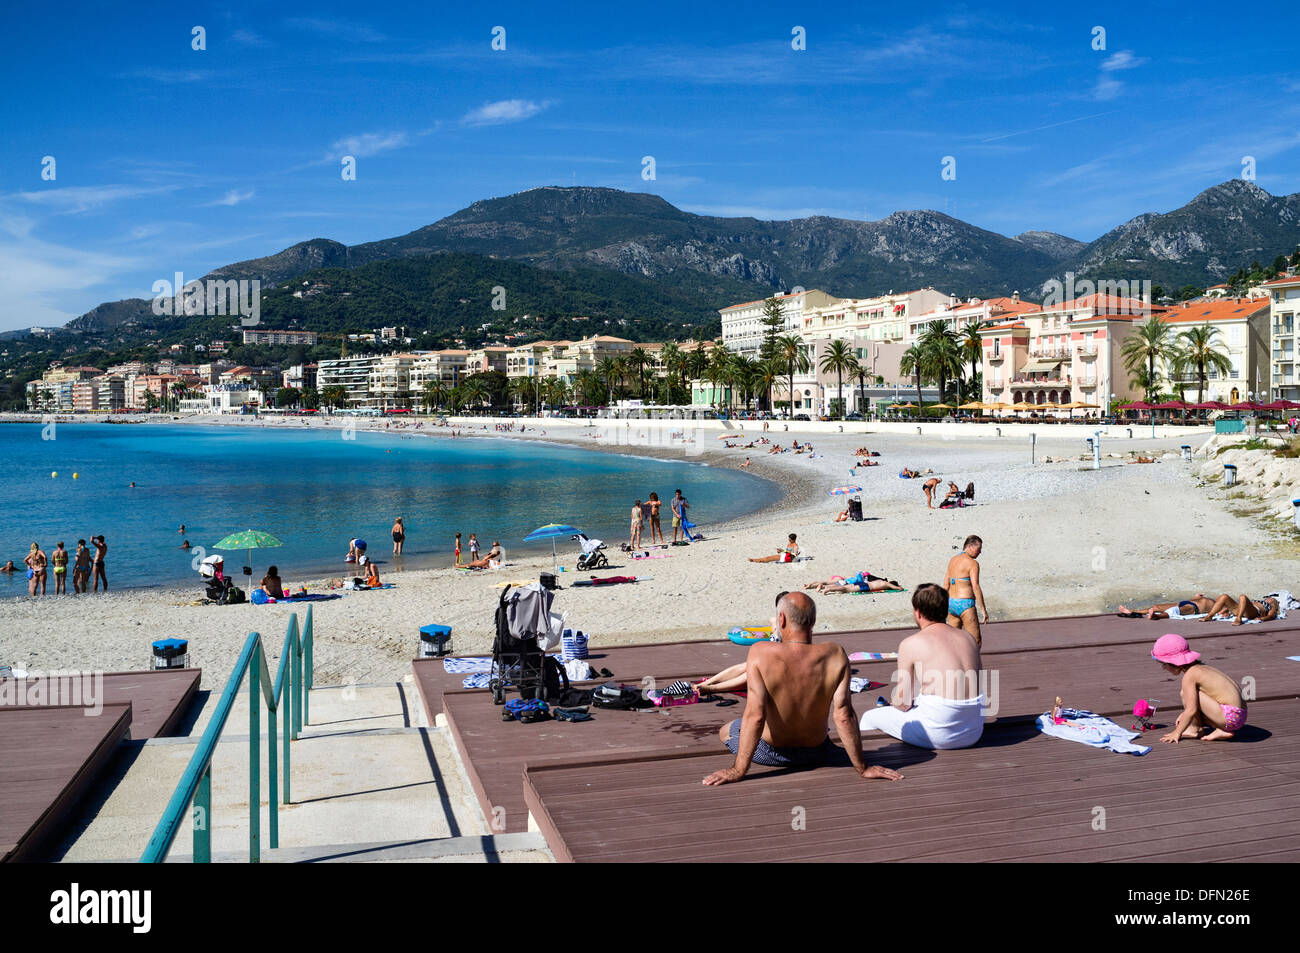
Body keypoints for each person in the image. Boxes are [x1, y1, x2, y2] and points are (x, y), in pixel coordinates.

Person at [702, 591, 904, 785]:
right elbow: (843, 716)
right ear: (813, 621)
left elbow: (755, 716)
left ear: (781, 619)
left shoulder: (761, 652)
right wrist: (863, 767)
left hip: (772, 754)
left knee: (728, 730)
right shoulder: (835, 654)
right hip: (819, 752)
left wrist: (738, 770)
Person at [859, 583, 986, 750]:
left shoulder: (911, 643)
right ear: (945, 609)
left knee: (869, 717)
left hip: (939, 732)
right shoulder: (968, 638)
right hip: (973, 730)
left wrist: (893, 704)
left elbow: (904, 703)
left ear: (917, 612)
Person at [1151, 634, 1246, 741]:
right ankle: (1222, 730)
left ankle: (1194, 729)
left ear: (1173, 663)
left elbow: (1191, 709)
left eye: (1164, 664)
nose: (1163, 668)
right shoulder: (1203, 668)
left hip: (1230, 718)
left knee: (1185, 693)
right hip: (1239, 715)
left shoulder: (1190, 675)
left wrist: (1177, 733)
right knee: (1191, 697)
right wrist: (1184, 714)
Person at [945, 534, 987, 646]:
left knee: (953, 641)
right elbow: (975, 586)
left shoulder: (952, 560)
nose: (980, 552)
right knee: (975, 642)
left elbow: (946, 584)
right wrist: (983, 609)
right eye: (978, 549)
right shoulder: (973, 563)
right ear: (969, 546)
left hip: (951, 603)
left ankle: (956, 663)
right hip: (965, 604)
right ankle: (972, 663)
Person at [1200, 593, 1280, 626]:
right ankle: (1210, 616)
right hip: (1241, 609)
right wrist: (1226, 611)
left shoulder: (1271, 607)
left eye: (1272, 599)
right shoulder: (1258, 601)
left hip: (1253, 612)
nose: (1269, 599)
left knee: (1242, 597)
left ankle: (1239, 619)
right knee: (1224, 596)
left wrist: (1261, 618)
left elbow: (1271, 616)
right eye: (1269, 598)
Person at [1116, 595, 1216, 620]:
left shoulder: (1221, 605)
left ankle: (1156, 616)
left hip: (1195, 609)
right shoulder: (1215, 601)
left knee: (1175, 611)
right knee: (1157, 606)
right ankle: (1132, 611)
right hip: (1187, 602)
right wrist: (1196, 596)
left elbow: (1224, 612)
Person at [805, 572, 903, 594]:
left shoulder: (879, 581)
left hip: (864, 584)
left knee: (847, 587)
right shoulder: (886, 584)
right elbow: (899, 589)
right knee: (846, 589)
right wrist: (899, 587)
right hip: (865, 587)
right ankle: (829, 589)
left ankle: (828, 588)